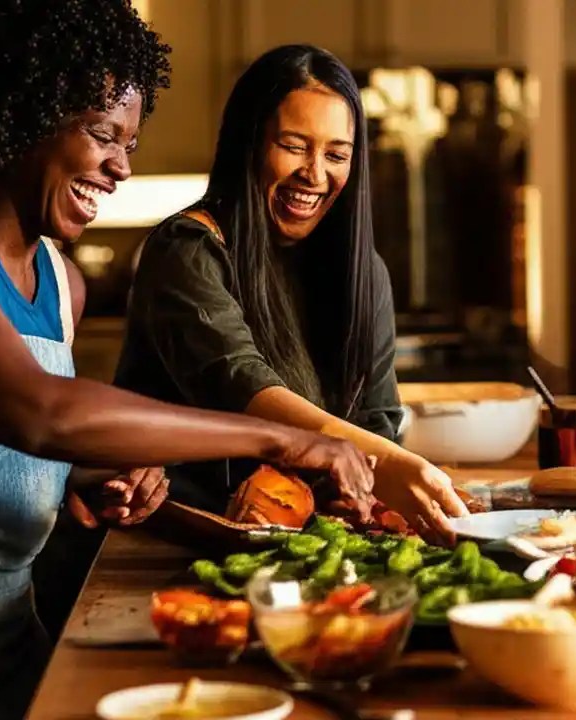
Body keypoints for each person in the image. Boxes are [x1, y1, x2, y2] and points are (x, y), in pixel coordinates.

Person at [0, 3, 377, 717]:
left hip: (12, 657)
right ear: (23, 114)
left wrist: (93, 473)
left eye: (128, 142)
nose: (120, 165)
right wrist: (287, 437)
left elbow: (12, 442)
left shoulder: (63, 283)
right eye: (103, 135)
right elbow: (36, 411)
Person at [114, 44, 468, 543]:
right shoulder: (187, 250)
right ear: (249, 143)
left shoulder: (363, 272)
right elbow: (243, 387)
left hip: (306, 538)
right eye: (295, 145)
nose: (316, 174)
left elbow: (379, 418)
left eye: (336, 154)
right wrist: (388, 463)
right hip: (181, 540)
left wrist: (370, 482)